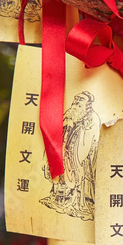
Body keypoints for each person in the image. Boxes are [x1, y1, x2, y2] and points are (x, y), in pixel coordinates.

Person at [40, 92, 99, 220]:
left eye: (80, 103)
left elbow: (88, 142)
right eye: (76, 101)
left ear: (87, 106)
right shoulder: (70, 113)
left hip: (81, 154)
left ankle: (79, 202)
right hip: (66, 150)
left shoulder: (92, 118)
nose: (76, 104)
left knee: (78, 171)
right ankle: (59, 196)